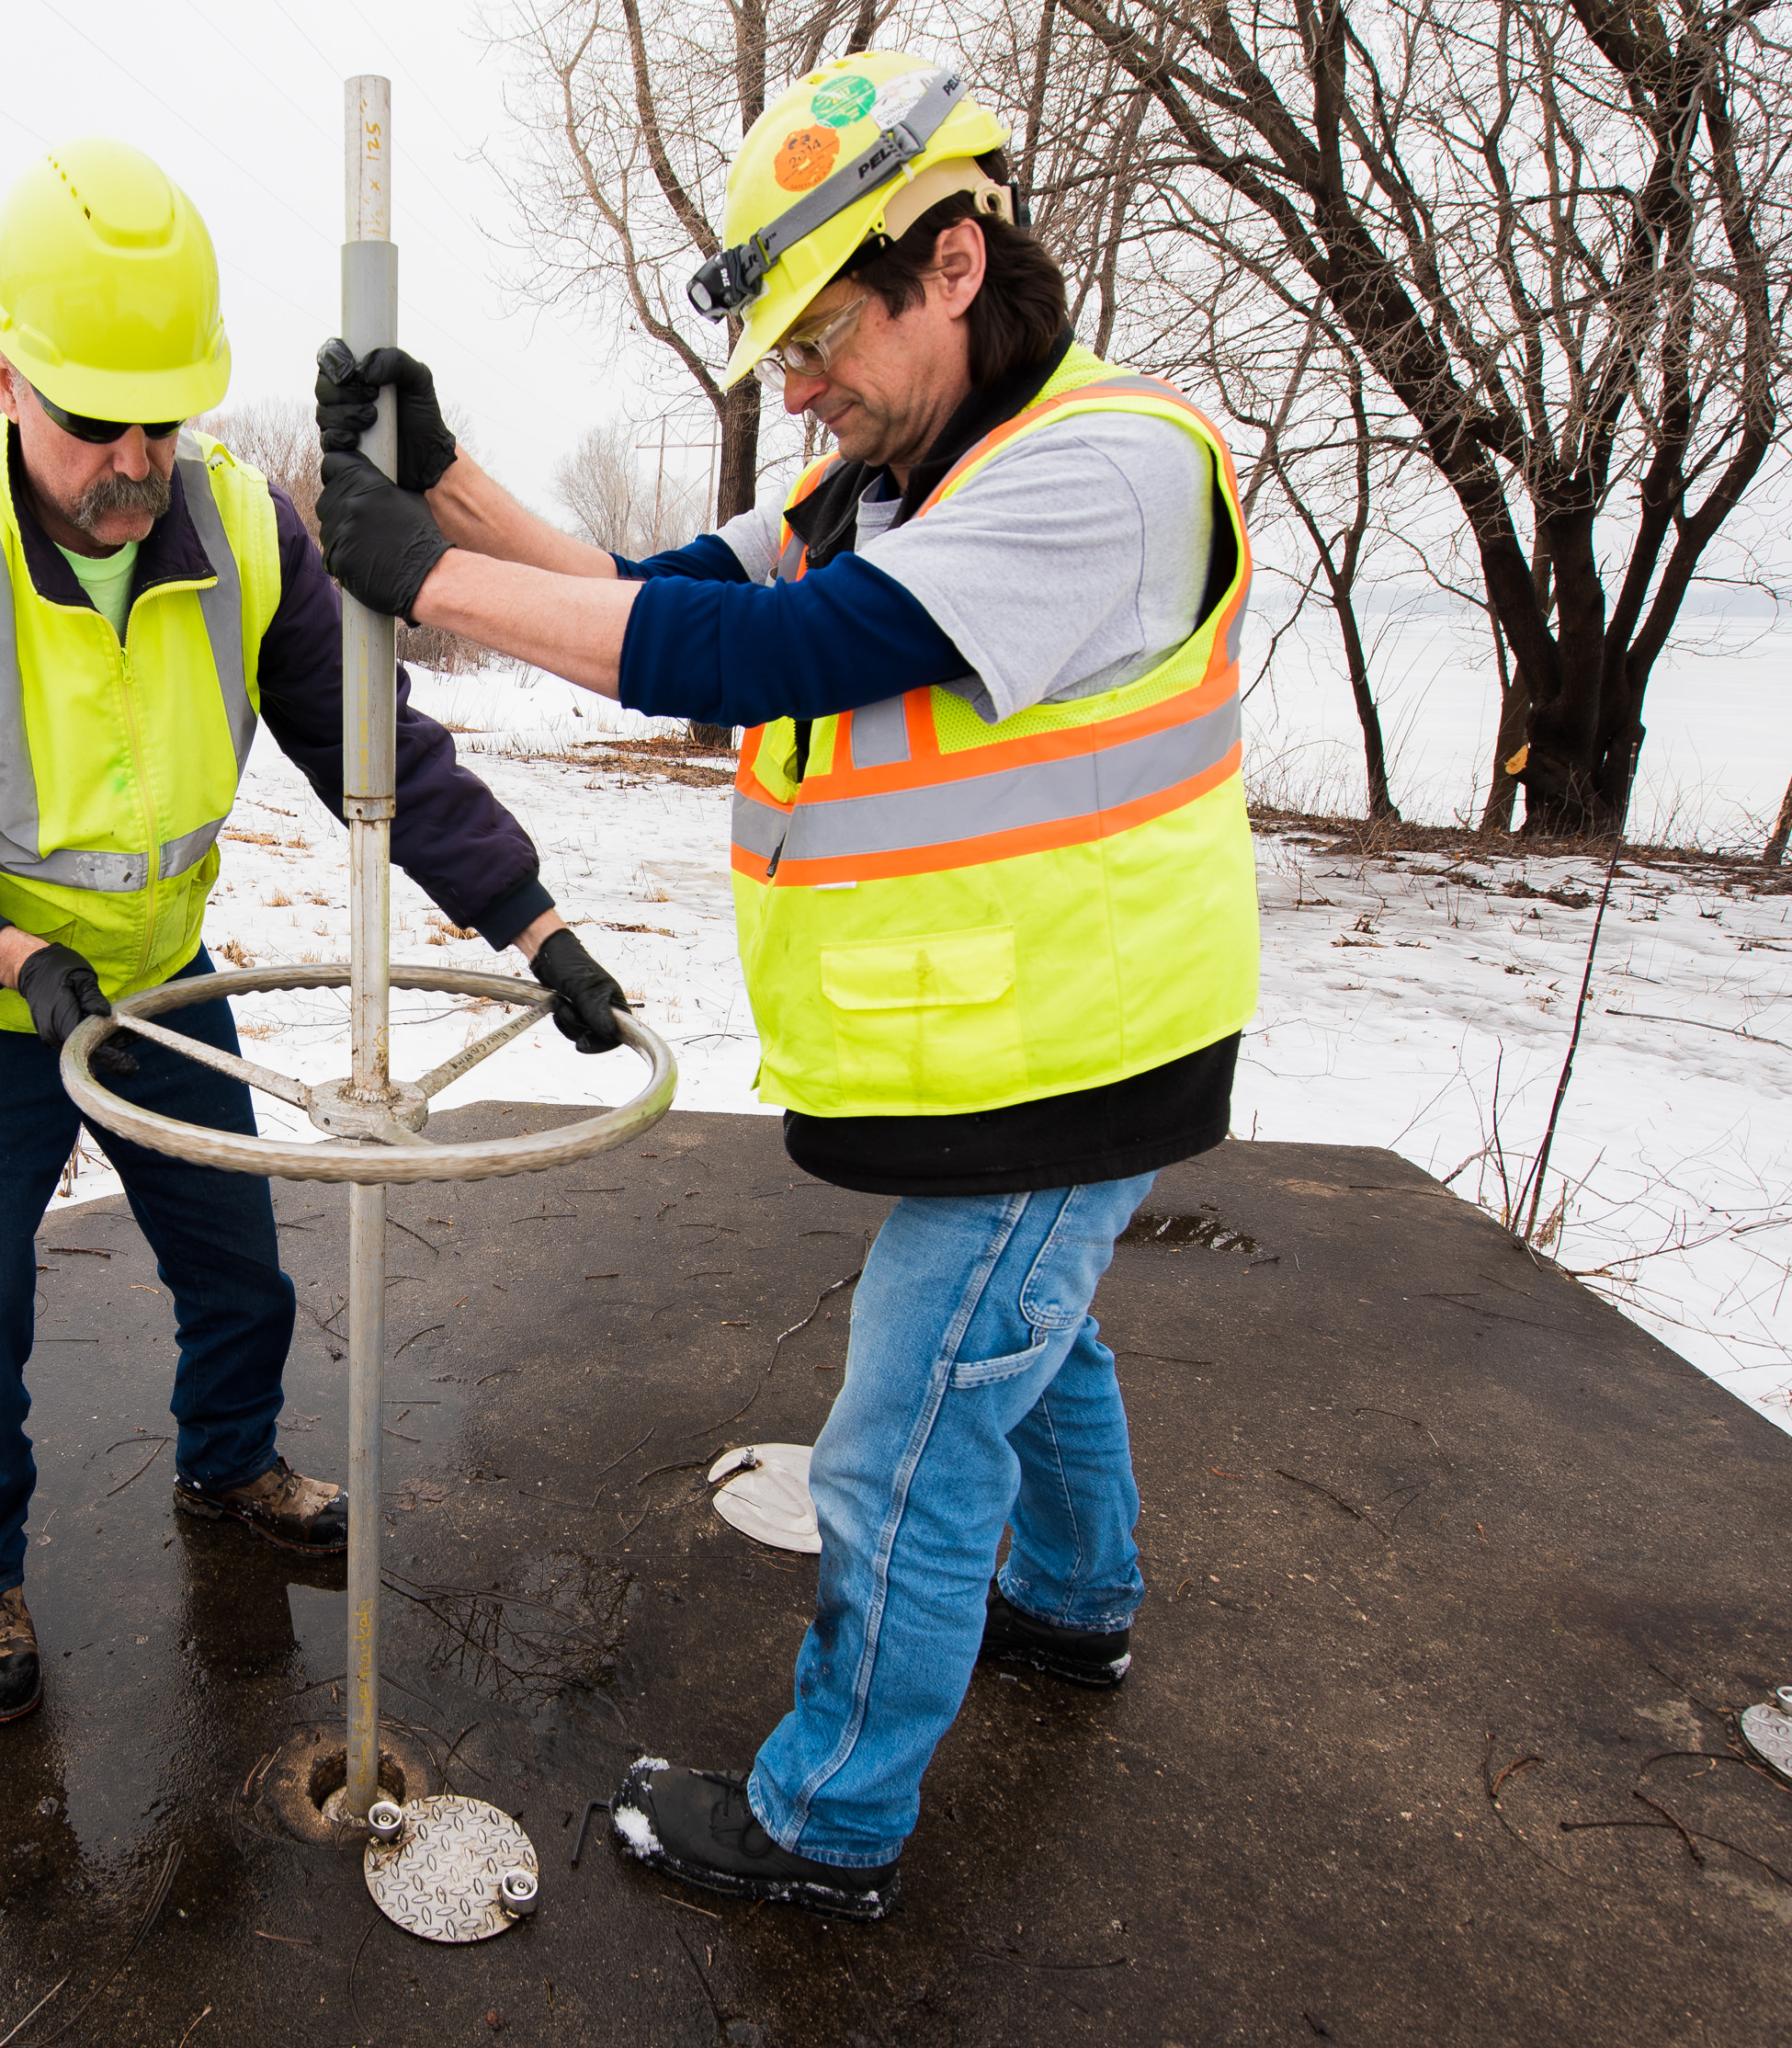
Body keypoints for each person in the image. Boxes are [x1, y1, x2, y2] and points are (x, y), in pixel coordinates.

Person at [311, 52, 1259, 1918]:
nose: (799, 387)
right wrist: (444, 480)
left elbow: (749, 657)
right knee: (1029, 1332)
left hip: (1071, 1047)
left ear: (956, 264)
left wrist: (421, 576)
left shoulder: (1105, 470)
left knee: (906, 1425)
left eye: (821, 337)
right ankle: (1071, 1605)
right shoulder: (898, 473)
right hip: (1026, 1042)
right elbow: (647, 583)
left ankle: (825, 1818)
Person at [0, 136, 629, 1728]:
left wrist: (532, 923)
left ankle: (230, 1464)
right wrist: (4, 959)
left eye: (162, 417)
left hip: (162, 980)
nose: (133, 457)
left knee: (240, 1272)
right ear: (7, 374)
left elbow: (374, 745)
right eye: (95, 419)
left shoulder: (239, 532)